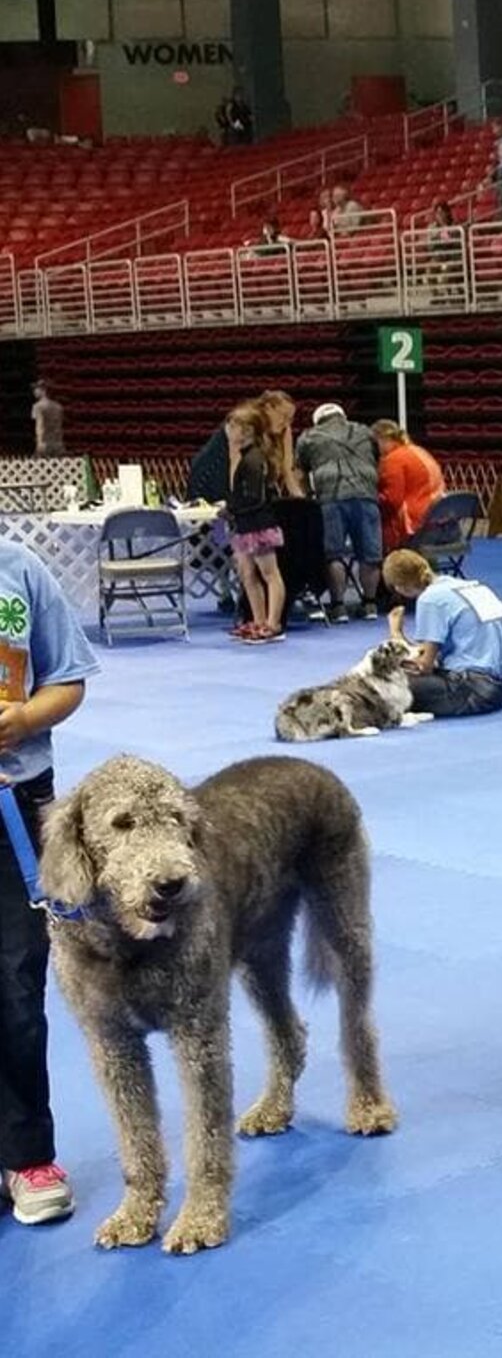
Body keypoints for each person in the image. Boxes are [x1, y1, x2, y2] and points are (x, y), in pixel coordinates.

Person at [0, 534, 99, 1228]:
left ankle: (26, 1153)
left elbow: (67, 679)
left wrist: (26, 716)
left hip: (17, 803)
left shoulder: (21, 569)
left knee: (16, 980)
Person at [382, 549, 502, 718]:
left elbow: (423, 666)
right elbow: (429, 655)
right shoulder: (464, 585)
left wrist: (395, 633)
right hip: (499, 687)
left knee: (384, 684)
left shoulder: (430, 599)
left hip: (472, 689)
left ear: (400, 586)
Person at [297, 402, 384, 622]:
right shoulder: (365, 431)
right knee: (370, 553)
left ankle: (338, 606)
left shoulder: (308, 437)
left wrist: (307, 495)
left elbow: (299, 472)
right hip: (366, 495)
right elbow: (377, 459)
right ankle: (370, 604)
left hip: (330, 498)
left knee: (333, 553)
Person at [224, 402, 288, 643]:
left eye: (233, 425)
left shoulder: (253, 459)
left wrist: (232, 509)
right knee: (248, 574)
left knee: (270, 573)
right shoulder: (244, 456)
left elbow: (255, 497)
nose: (228, 429)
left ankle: (273, 624)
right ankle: (258, 620)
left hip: (259, 523)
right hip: (244, 524)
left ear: (247, 430)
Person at [371, 419, 445, 553]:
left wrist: (370, 500)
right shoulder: (419, 450)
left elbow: (392, 501)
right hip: (437, 520)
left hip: (413, 525)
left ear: (381, 440)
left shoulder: (393, 460)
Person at [28, 380, 63, 458]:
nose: (34, 392)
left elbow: (38, 425)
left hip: (44, 443)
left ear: (43, 390)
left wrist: (39, 442)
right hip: (57, 443)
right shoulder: (58, 407)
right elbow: (59, 425)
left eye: (36, 389)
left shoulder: (37, 407)